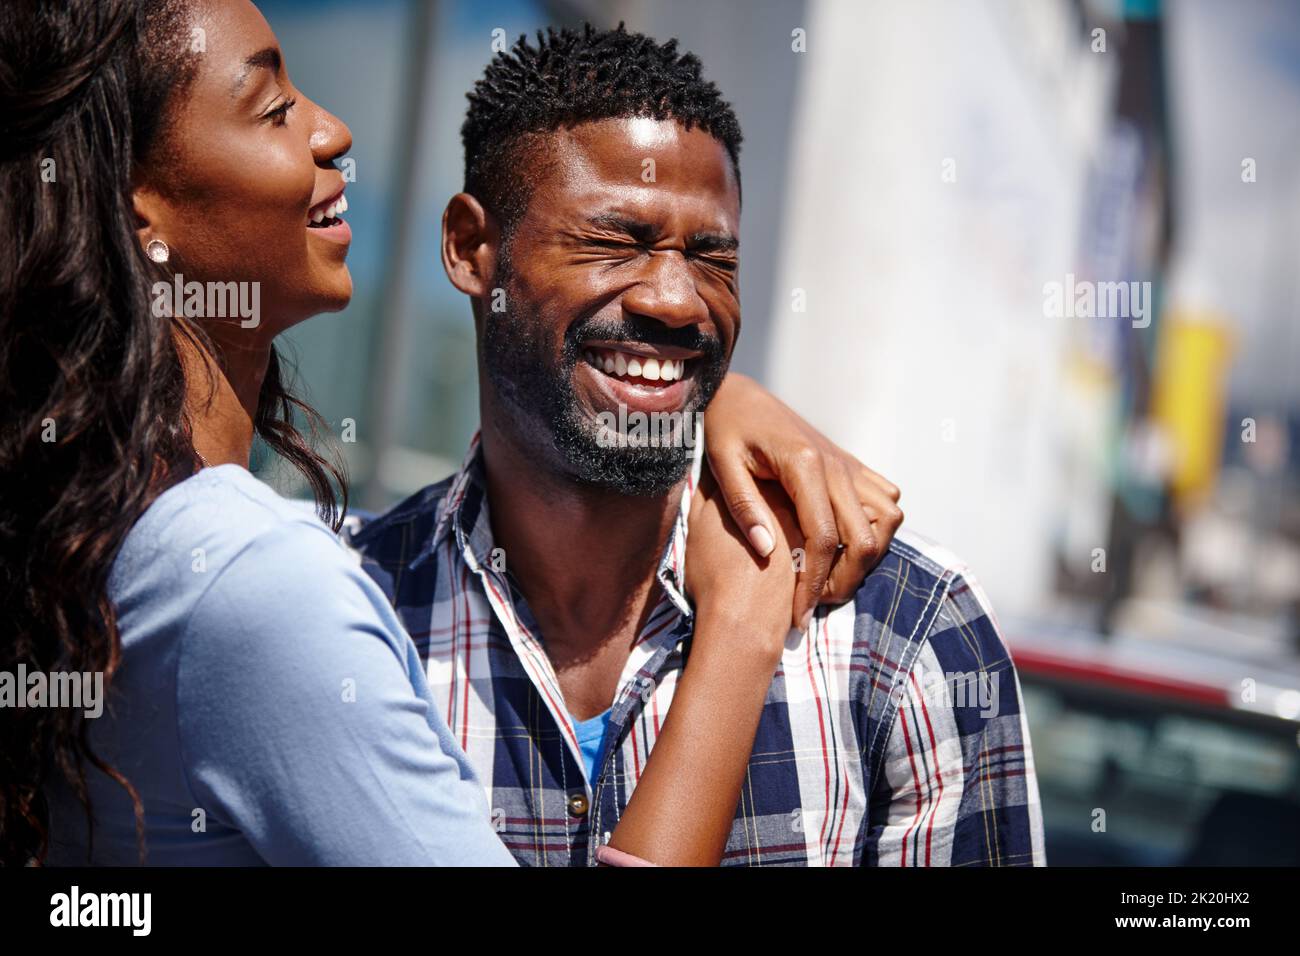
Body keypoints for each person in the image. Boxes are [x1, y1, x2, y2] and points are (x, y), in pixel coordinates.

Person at [0, 0, 899, 866]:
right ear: (138, 209)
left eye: (711, 257)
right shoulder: (275, 585)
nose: (332, 131)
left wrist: (711, 400)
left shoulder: (109, 541)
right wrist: (738, 633)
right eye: (273, 109)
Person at [349, 23, 1047, 866]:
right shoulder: (351, 617)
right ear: (471, 249)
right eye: (616, 240)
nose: (679, 302)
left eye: (713, 256)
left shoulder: (901, 634)